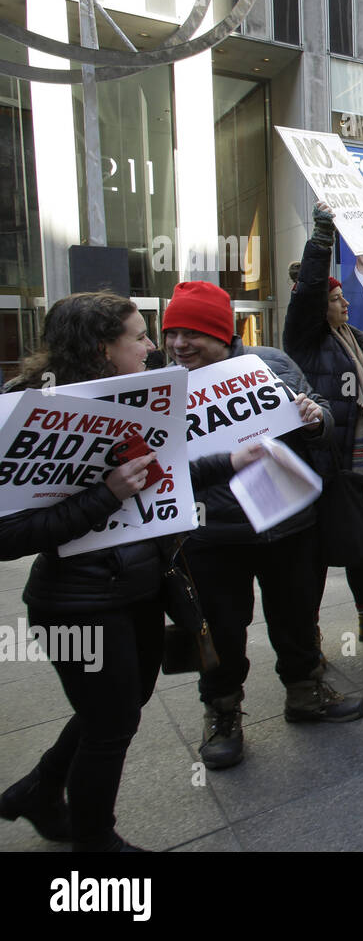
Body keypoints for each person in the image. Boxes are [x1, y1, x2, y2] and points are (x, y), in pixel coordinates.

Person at [0, 293, 264, 850]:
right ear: (103, 348)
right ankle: (96, 844)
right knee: (111, 725)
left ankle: (41, 790)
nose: (153, 346)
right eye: (139, 335)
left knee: (117, 709)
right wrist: (104, 496)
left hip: (142, 588)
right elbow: (11, 535)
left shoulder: (137, 404)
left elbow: (163, 471)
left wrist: (231, 460)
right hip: (77, 602)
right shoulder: (27, 410)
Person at [164, 282, 363, 770]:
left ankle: (305, 693)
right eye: (172, 333)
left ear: (223, 333)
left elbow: (320, 422)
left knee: (298, 617)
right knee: (223, 631)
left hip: (289, 522)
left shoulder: (271, 364)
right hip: (212, 535)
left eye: (193, 333)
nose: (179, 345)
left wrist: (316, 419)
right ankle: (223, 713)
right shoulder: (160, 386)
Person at [283, 203, 363, 650]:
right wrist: (322, 234)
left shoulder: (358, 340)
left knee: (362, 542)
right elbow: (309, 290)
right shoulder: (306, 340)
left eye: (340, 298)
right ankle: (309, 631)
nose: (340, 303)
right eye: (333, 299)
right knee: (316, 553)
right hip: (325, 462)